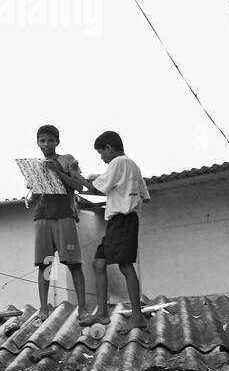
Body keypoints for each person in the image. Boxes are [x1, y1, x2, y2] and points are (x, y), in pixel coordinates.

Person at [62, 131, 150, 329]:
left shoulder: (118, 162)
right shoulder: (133, 166)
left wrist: (76, 175)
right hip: (121, 221)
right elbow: (144, 196)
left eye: (101, 152)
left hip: (122, 220)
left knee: (125, 266)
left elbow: (95, 190)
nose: (101, 157)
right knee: (99, 263)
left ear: (109, 148)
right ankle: (102, 313)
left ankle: (137, 316)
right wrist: (113, 189)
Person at [28, 124, 86, 315]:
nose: (46, 144)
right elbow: (33, 197)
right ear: (37, 143)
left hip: (64, 216)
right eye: (42, 141)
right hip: (42, 217)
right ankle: (44, 308)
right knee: (45, 264)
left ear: (57, 142)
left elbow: (79, 186)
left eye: (50, 140)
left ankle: (82, 308)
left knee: (74, 263)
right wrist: (32, 189)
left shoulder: (67, 160)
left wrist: (58, 172)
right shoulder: (35, 166)